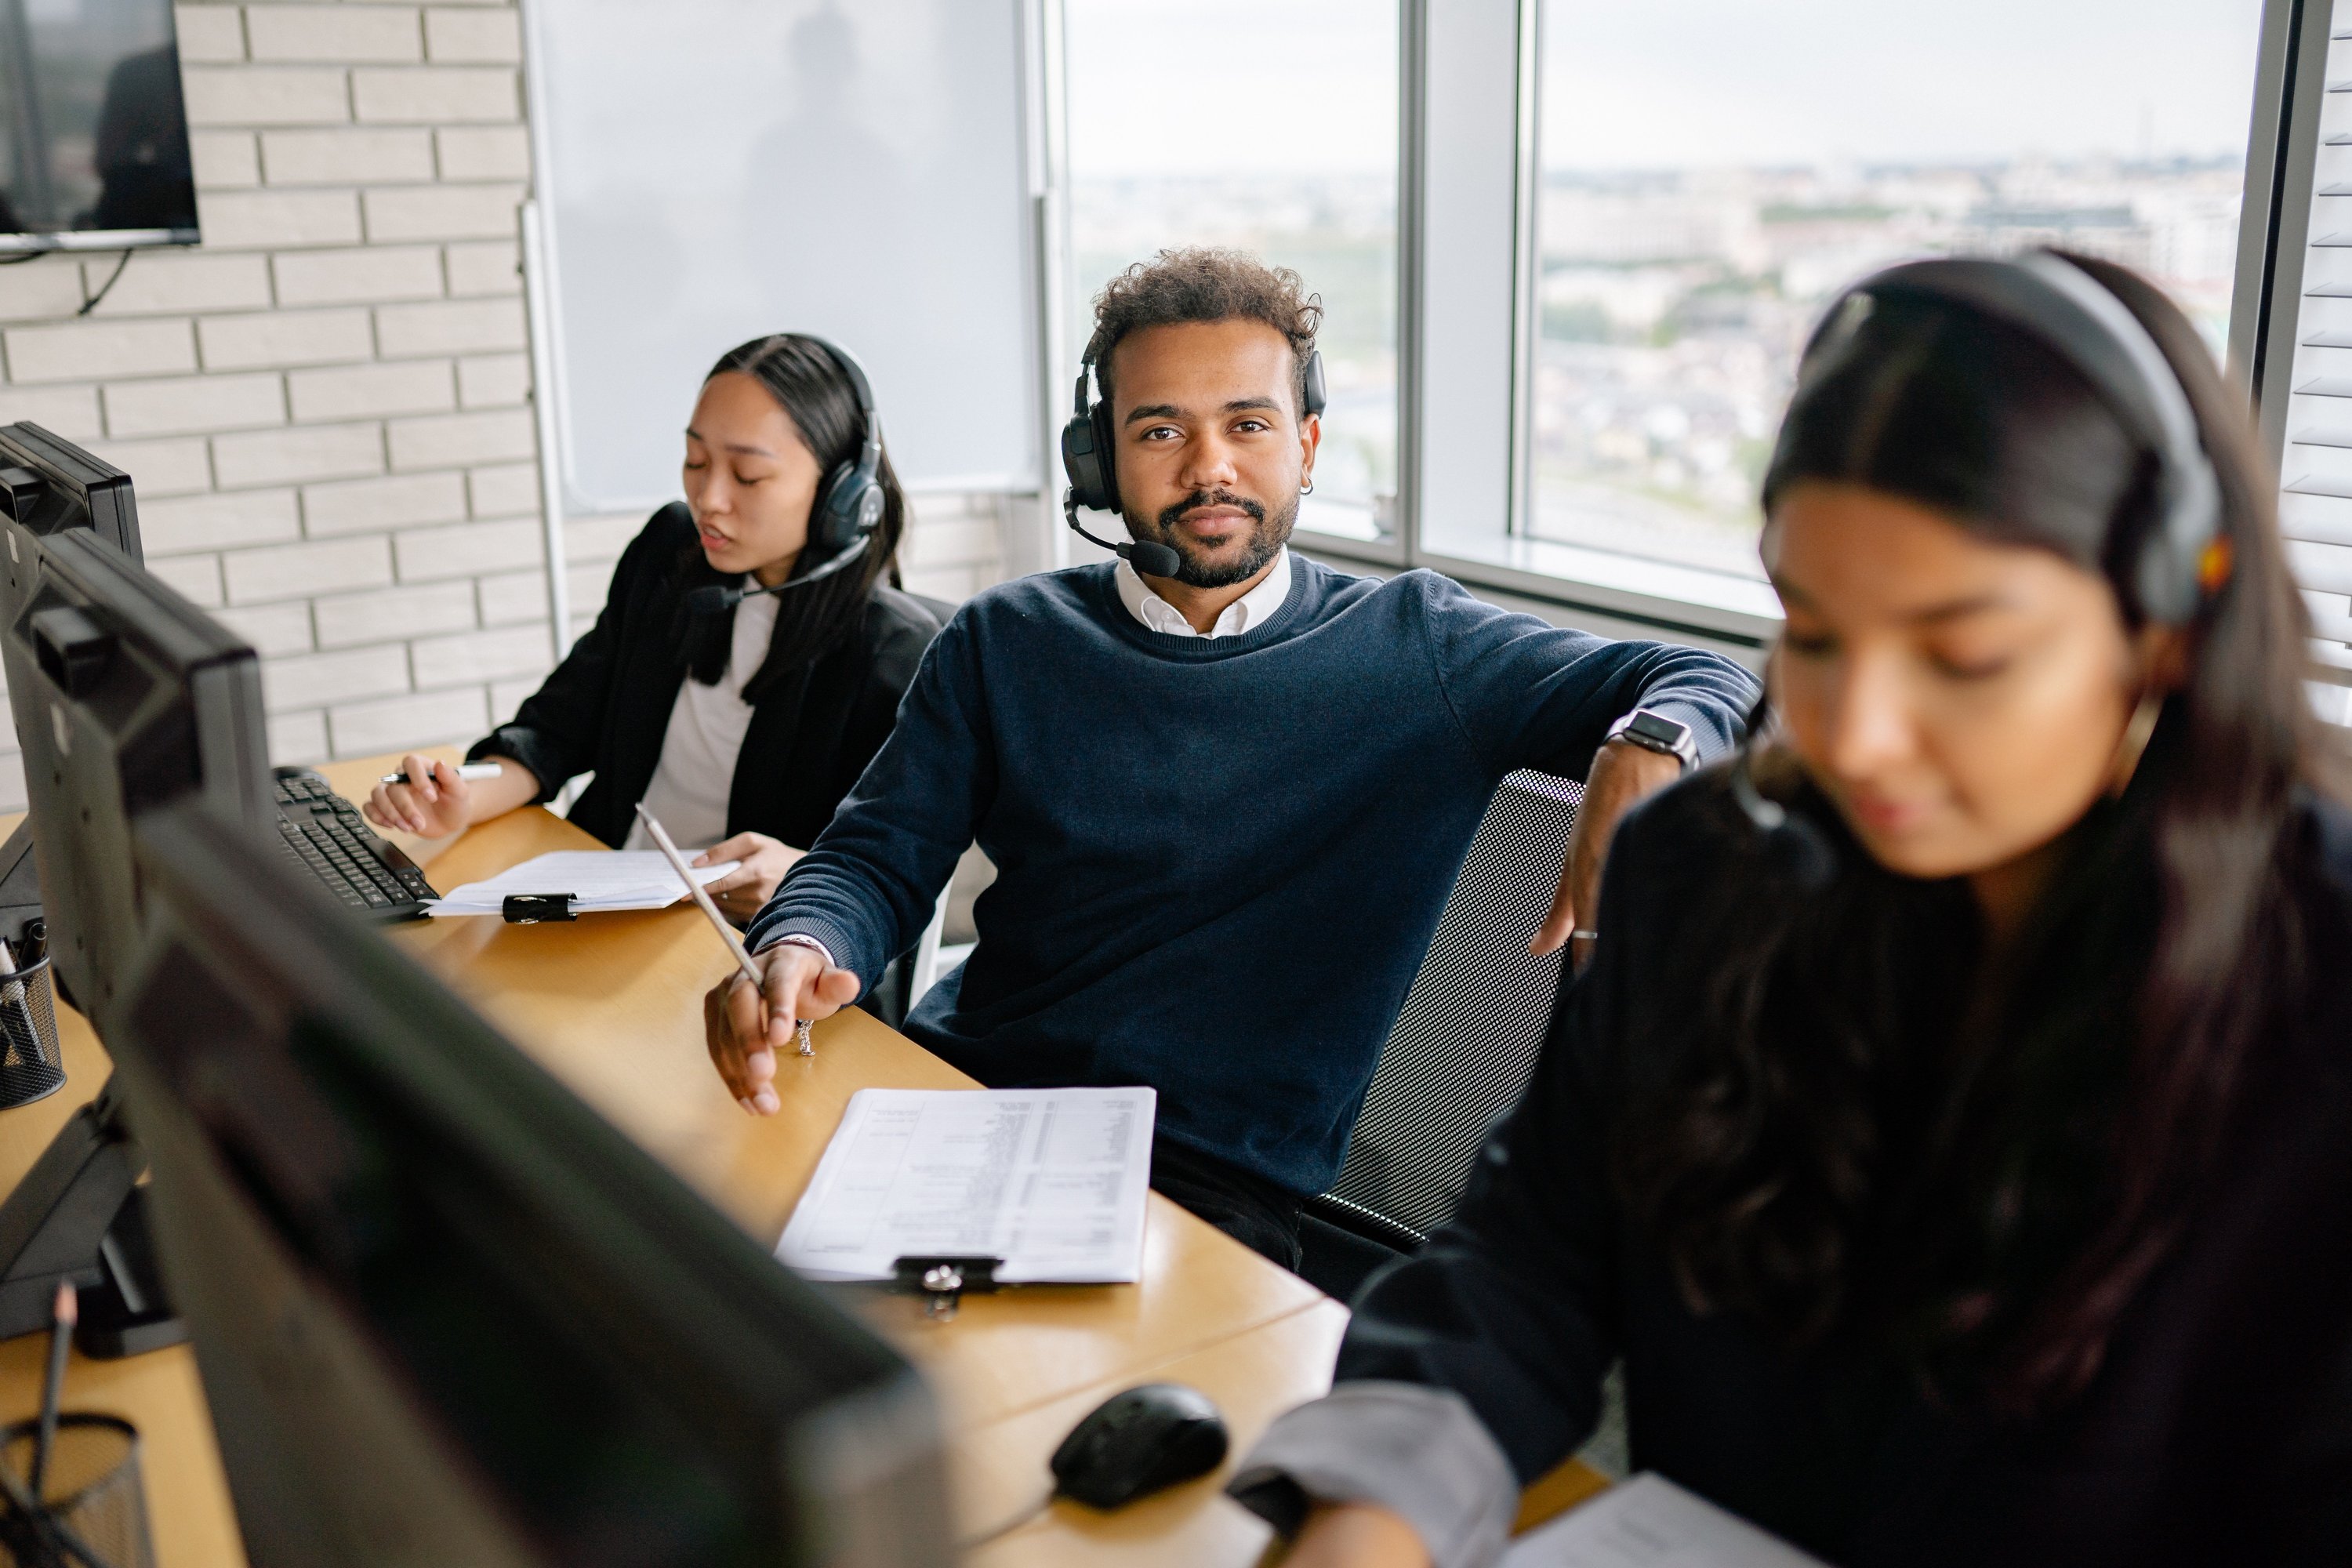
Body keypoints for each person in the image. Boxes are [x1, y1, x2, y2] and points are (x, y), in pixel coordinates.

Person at [1231, 252, 2352, 1566]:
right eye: (1811, 632)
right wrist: (1369, 1521)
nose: (1858, 738)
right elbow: (1523, 1270)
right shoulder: (1707, 876)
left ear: (2170, 621)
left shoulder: (2321, 1001)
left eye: (1963, 655)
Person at [703, 249, 1760, 1268]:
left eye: (1247, 425)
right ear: (1102, 457)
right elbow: (876, 859)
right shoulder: (1005, 638)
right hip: (965, 1096)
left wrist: (1647, 746)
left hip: (1206, 1182)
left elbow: (1715, 679)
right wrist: (798, 938)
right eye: (1160, 429)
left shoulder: (1421, 649)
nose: (1209, 466)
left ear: (1303, 446)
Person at [365, 335, 942, 922]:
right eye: (695, 461)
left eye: (746, 476)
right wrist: (460, 802)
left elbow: (891, 867)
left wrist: (800, 874)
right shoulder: (670, 555)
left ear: (844, 497)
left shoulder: (890, 653)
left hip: (739, 941)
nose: (708, 498)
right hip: (602, 896)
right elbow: (556, 730)